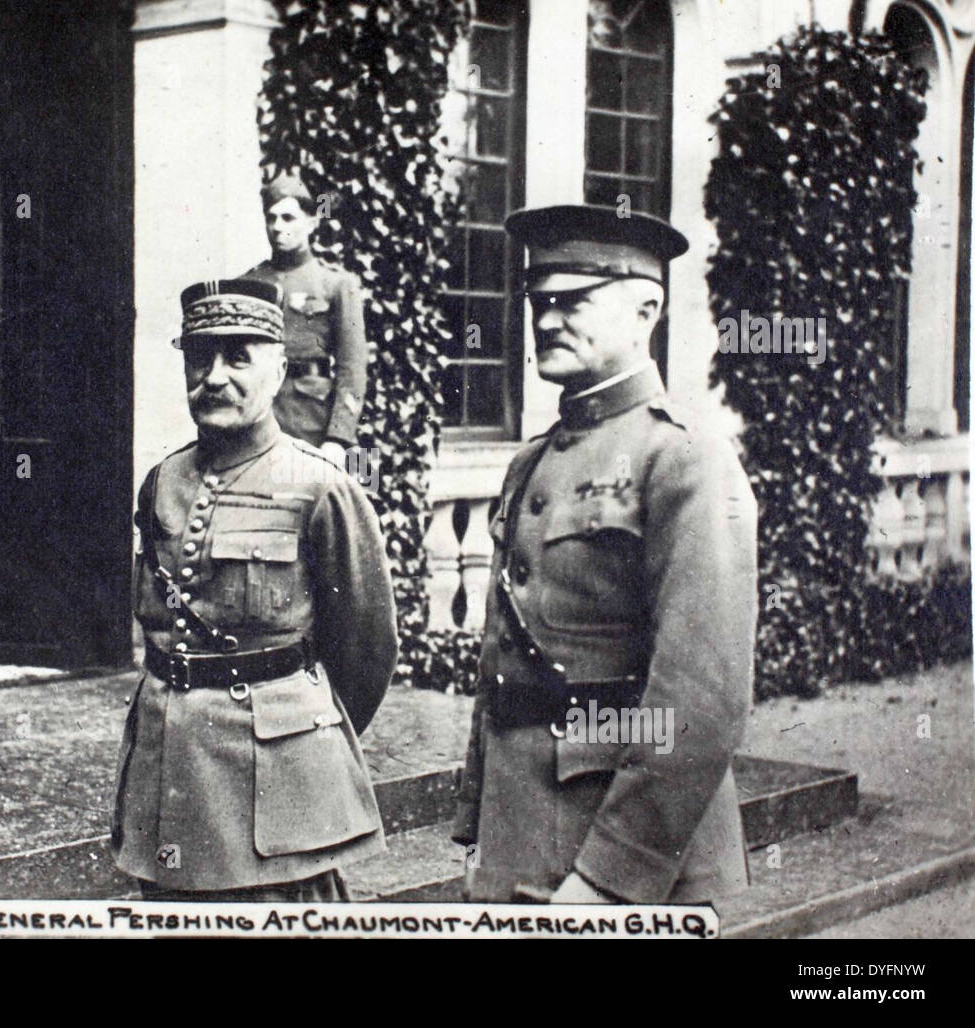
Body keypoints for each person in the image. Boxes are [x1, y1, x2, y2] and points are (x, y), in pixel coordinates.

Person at [452, 204, 758, 904]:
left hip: (630, 859)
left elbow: (702, 696)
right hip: (523, 839)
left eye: (573, 300)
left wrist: (611, 876)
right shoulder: (529, 464)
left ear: (646, 307)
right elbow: (504, 663)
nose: (547, 319)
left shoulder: (683, 459)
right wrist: (479, 829)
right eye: (538, 301)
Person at [111, 278, 397, 901]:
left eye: (238, 357)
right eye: (199, 357)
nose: (214, 377)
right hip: (171, 780)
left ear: (279, 369)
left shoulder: (321, 487)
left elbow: (366, 651)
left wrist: (298, 732)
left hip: (278, 795)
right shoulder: (162, 482)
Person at [242, 174, 368, 465]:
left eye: (288, 218)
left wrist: (338, 438)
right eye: (271, 218)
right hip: (257, 420)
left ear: (311, 222)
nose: (278, 227)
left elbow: (352, 367)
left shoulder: (336, 284)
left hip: (312, 424)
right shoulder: (249, 284)